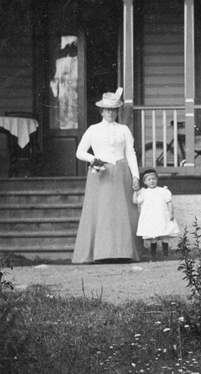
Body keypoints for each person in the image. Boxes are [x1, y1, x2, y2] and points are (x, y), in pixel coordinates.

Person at [72, 88, 141, 263]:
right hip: (101, 174)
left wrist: (136, 176)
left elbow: (131, 153)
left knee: (122, 212)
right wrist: (94, 159)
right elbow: (80, 152)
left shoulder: (124, 129)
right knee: (101, 211)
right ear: (102, 111)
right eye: (107, 110)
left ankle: (123, 252)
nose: (110, 113)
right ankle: (100, 253)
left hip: (121, 172)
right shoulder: (93, 129)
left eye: (114, 110)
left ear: (117, 111)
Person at [135, 168, 177, 261]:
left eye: (154, 179)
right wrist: (135, 191)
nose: (152, 181)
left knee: (164, 235)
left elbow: (169, 203)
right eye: (149, 180)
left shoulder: (163, 191)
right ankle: (153, 256)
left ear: (157, 180)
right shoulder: (144, 192)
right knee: (153, 236)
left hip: (162, 216)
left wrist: (171, 213)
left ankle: (165, 255)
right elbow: (136, 201)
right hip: (151, 217)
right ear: (145, 182)